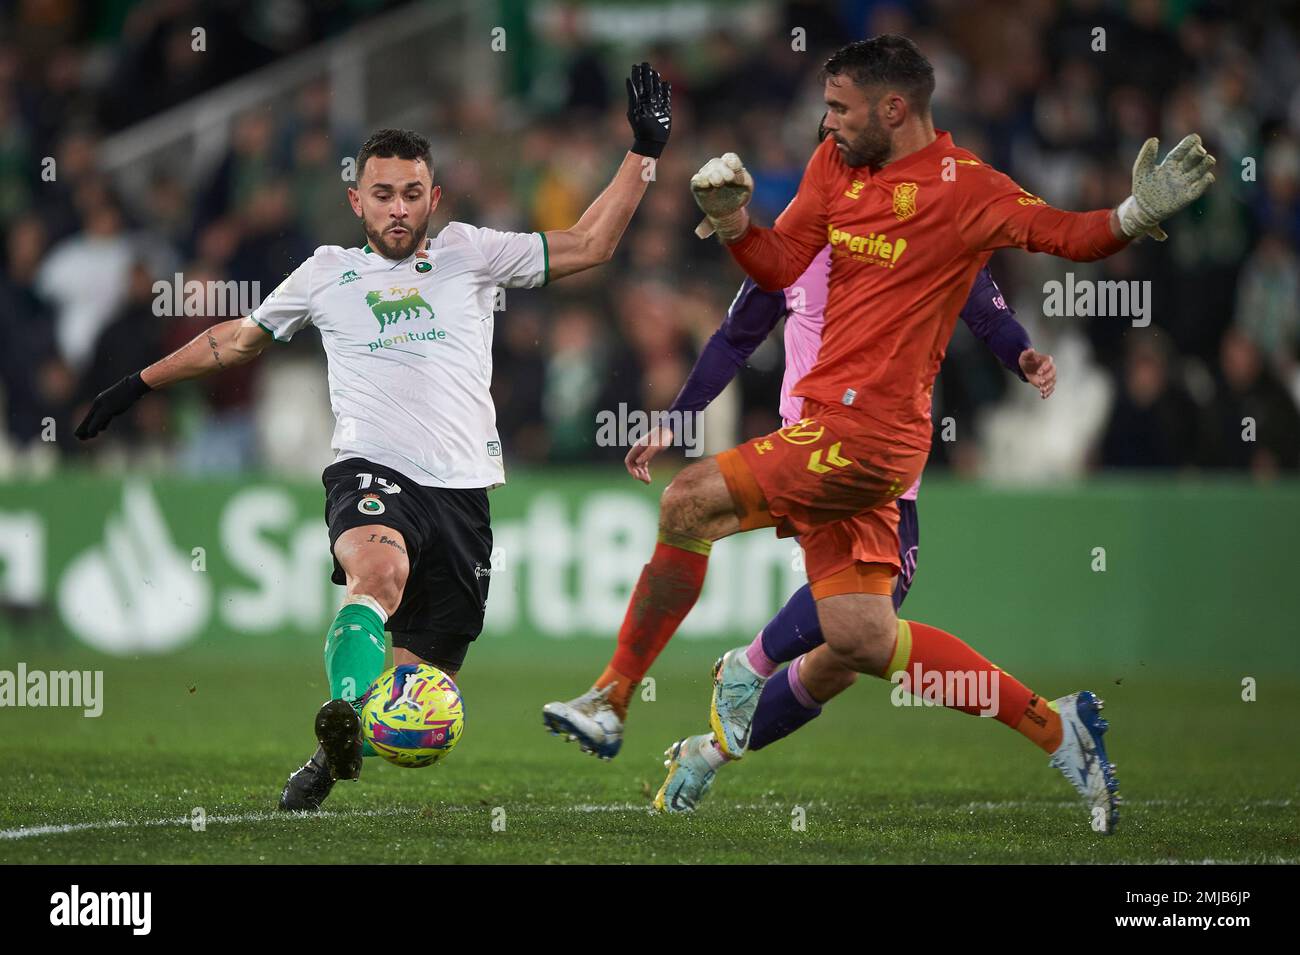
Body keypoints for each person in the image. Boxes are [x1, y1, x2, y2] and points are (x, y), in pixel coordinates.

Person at [542, 36, 1214, 832]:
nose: (825, 126)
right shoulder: (835, 170)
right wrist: (732, 224)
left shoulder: (968, 190)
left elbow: (1070, 235)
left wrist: (1135, 214)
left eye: (839, 109)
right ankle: (1056, 724)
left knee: (689, 501)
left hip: (874, 437)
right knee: (860, 637)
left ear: (893, 108)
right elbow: (781, 262)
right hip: (825, 423)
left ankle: (615, 697)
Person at [74, 64, 674, 812]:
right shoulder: (327, 272)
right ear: (356, 198)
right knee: (374, 574)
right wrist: (136, 384)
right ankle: (341, 715)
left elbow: (589, 243)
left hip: (462, 497)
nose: (398, 209)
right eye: (383, 194)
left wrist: (643, 152)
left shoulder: (470, 252)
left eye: (412, 193)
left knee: (423, 690)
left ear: (434, 197)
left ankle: (334, 748)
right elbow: (238, 339)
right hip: (371, 470)